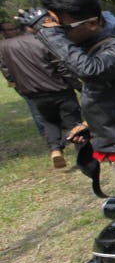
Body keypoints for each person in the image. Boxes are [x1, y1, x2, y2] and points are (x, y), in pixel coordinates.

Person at [27, 0, 115, 197]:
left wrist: (49, 34)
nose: (61, 35)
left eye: (63, 29)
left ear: (92, 23)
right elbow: (111, 97)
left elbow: (89, 70)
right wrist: (91, 126)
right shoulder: (91, 48)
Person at [0, 17, 82, 168]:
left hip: (34, 93)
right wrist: (78, 86)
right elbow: (61, 67)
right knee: (74, 123)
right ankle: (83, 155)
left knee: (49, 121)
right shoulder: (43, 41)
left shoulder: (4, 46)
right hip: (59, 89)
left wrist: (20, 87)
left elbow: (7, 71)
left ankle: (55, 150)